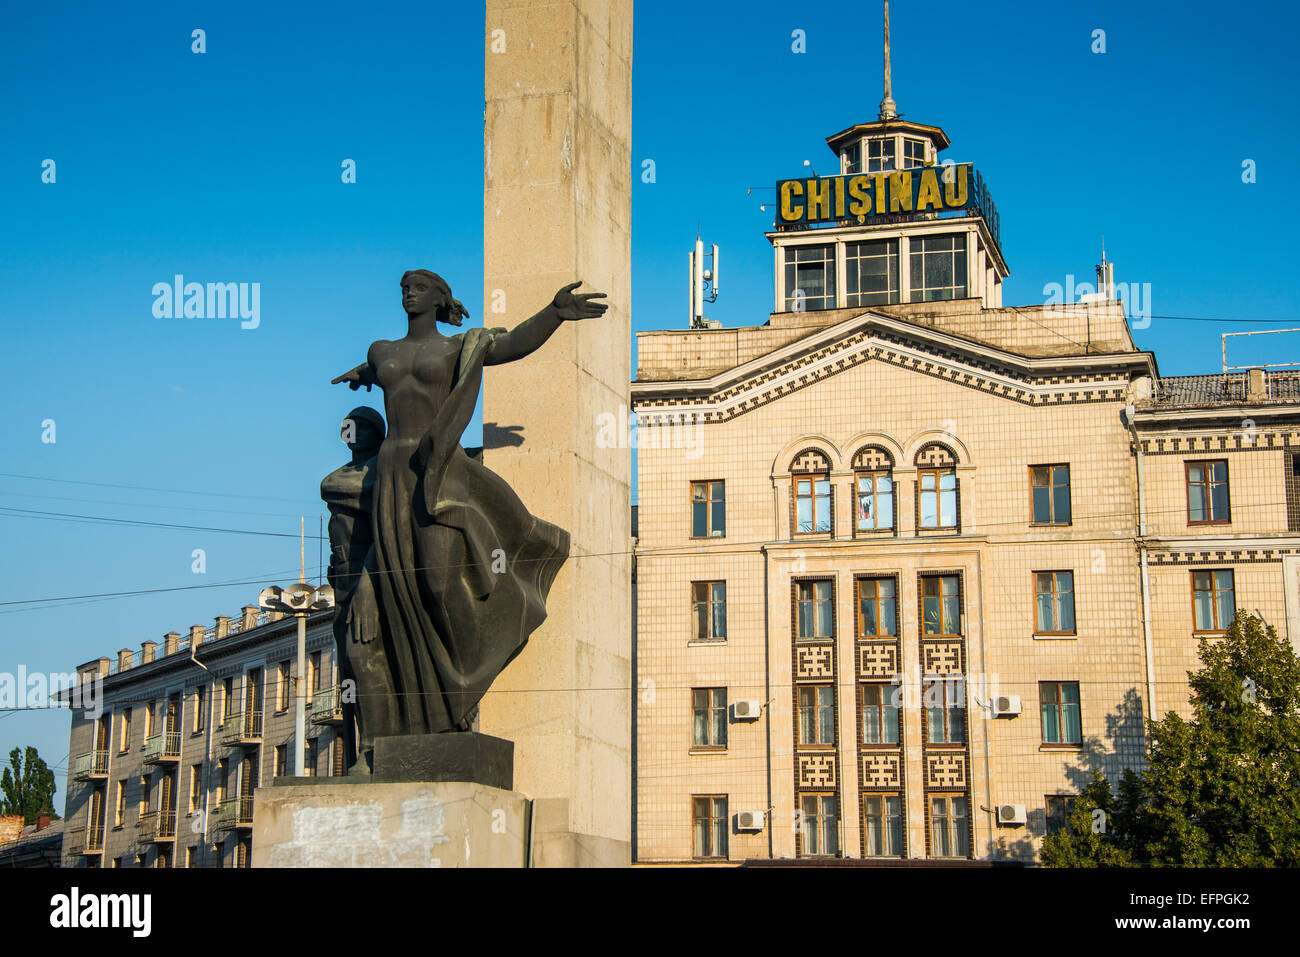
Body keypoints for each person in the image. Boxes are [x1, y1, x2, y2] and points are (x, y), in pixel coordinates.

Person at [330, 270, 607, 757]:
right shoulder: (382, 351)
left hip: (438, 468)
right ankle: (416, 715)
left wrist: (553, 314)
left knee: (437, 584)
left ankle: (460, 687)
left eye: (418, 288)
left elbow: (511, 346)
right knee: (401, 584)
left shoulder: (459, 346)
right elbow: (381, 372)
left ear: (441, 300)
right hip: (392, 474)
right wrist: (361, 373)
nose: (408, 294)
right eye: (403, 288)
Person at [320, 406, 393, 772]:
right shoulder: (346, 474)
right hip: (341, 581)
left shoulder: (382, 470)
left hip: (369, 577)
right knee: (349, 669)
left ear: (379, 433)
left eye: (364, 425)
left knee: (365, 659)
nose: (354, 429)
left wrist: (367, 584)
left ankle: (372, 750)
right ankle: (356, 755)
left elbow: (385, 533)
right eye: (349, 423)